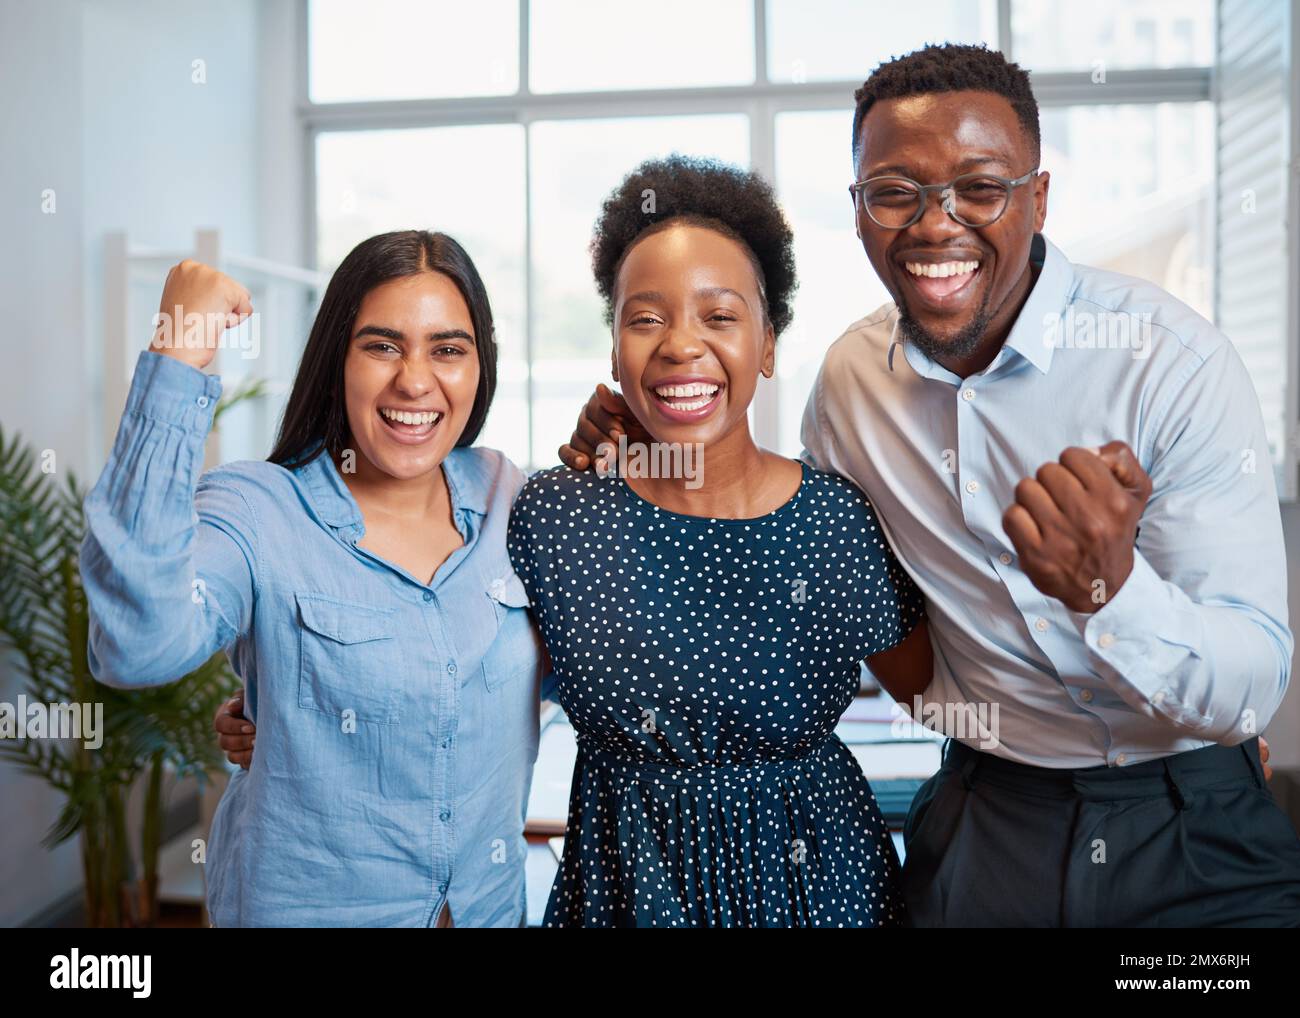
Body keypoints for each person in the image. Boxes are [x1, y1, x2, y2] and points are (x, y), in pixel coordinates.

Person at [560, 45, 1300, 927]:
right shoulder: (851, 387)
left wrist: (1113, 592)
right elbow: (775, 534)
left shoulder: (1167, 365)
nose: (936, 224)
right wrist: (646, 445)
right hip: (991, 815)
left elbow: (1254, 687)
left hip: (1189, 818)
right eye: (894, 192)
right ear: (861, 209)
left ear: (1038, 197)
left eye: (979, 188)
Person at [508, 155, 932, 927]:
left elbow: (941, 696)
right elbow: (466, 672)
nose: (680, 345)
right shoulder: (555, 515)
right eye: (645, 318)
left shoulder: (835, 519)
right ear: (612, 351)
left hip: (819, 890)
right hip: (624, 891)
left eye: (720, 316)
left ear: (767, 346)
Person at [82, 231, 546, 927]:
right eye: (382, 345)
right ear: (337, 360)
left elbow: (604, 674)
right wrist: (181, 349)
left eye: (448, 349)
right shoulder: (257, 507)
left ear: (481, 367)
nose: (415, 380)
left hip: (490, 911)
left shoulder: (516, 499)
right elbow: (136, 648)